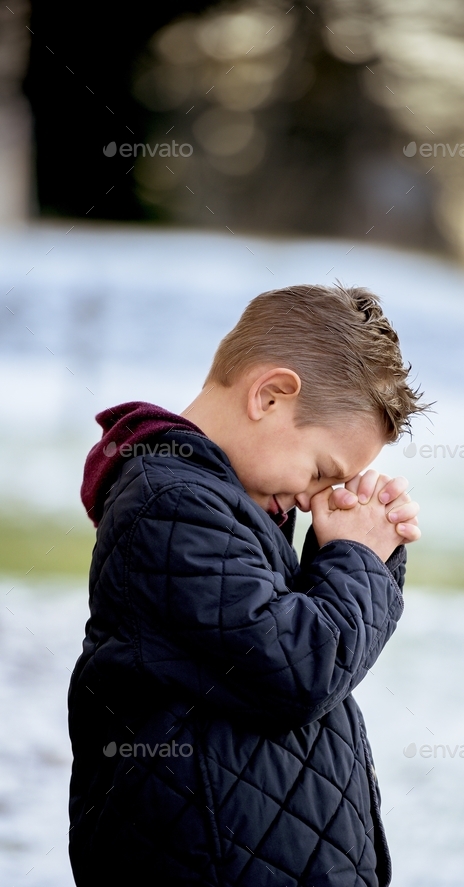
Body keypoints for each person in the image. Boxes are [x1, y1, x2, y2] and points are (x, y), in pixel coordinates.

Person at [68, 283, 425, 887]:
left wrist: (348, 550)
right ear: (270, 395)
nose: (315, 499)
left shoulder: (229, 512)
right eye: (322, 471)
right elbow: (297, 669)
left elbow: (285, 638)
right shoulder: (170, 507)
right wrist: (359, 557)